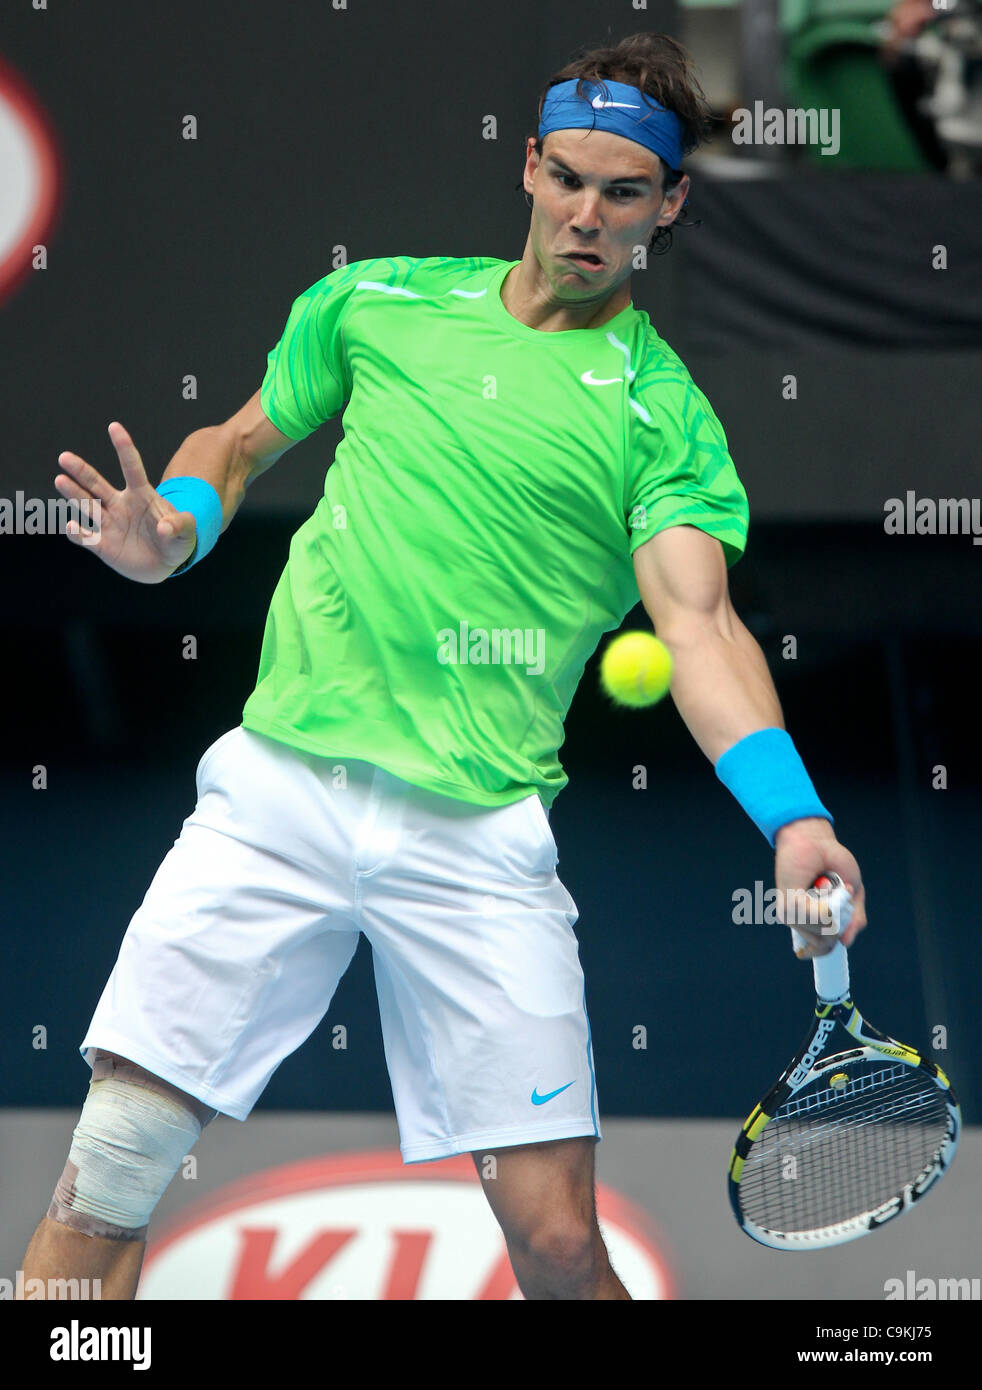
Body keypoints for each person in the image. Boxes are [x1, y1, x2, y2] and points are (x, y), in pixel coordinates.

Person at [23, 31, 866, 1302]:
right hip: (275, 799)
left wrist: (793, 814)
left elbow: (700, 630)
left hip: (477, 840)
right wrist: (175, 530)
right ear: (527, 166)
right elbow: (240, 439)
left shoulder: (664, 417)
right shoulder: (378, 303)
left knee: (560, 1242)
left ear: (670, 203)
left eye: (624, 193)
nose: (587, 216)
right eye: (568, 178)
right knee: (113, 1165)